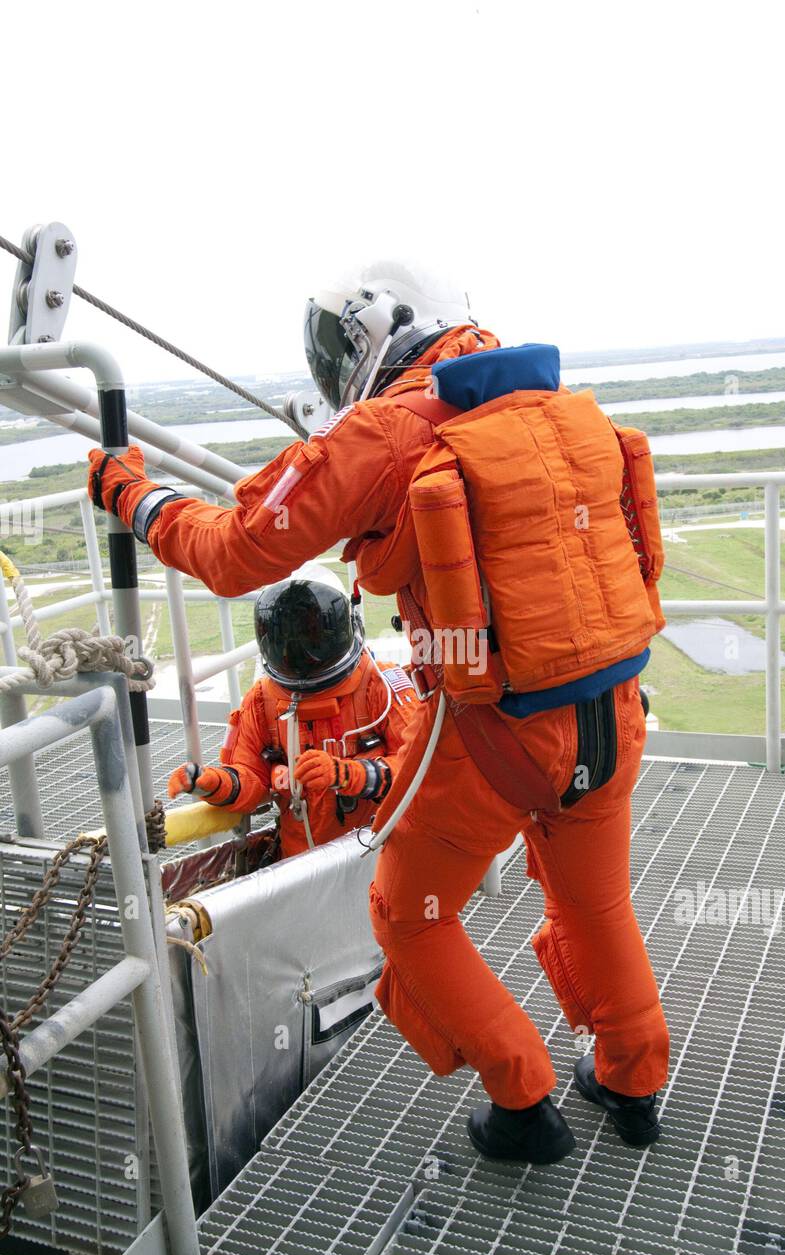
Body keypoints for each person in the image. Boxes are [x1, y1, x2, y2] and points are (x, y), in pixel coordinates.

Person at [88, 261, 670, 1164]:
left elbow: (238, 552)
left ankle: (524, 1103)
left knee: (411, 918)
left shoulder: (385, 433)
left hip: (493, 739)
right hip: (614, 719)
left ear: (373, 335)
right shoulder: (554, 407)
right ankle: (633, 1083)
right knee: (595, 906)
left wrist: (135, 494)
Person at [165, 568, 417, 858]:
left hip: (378, 853)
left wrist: (349, 775)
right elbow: (251, 781)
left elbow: (420, 771)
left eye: (312, 632)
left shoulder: (381, 687)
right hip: (299, 863)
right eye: (289, 636)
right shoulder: (262, 701)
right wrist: (213, 783)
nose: (302, 652)